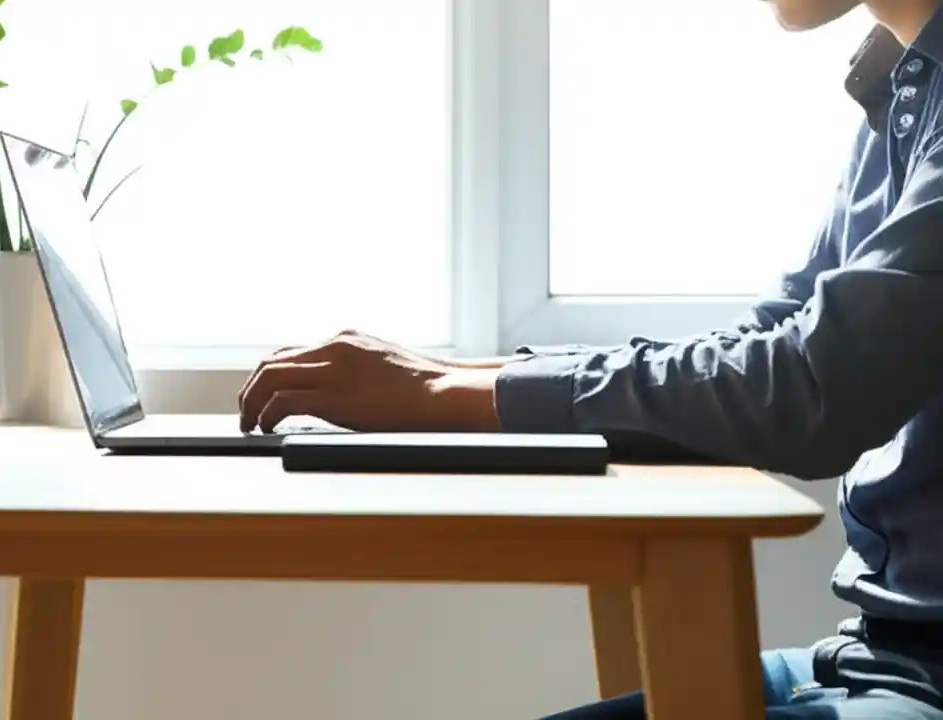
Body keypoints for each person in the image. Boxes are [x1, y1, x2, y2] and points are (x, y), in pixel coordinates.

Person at [237, 0, 943, 717]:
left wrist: (436, 391)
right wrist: (456, 378)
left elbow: (808, 390)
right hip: (872, 654)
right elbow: (769, 340)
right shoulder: (901, 88)